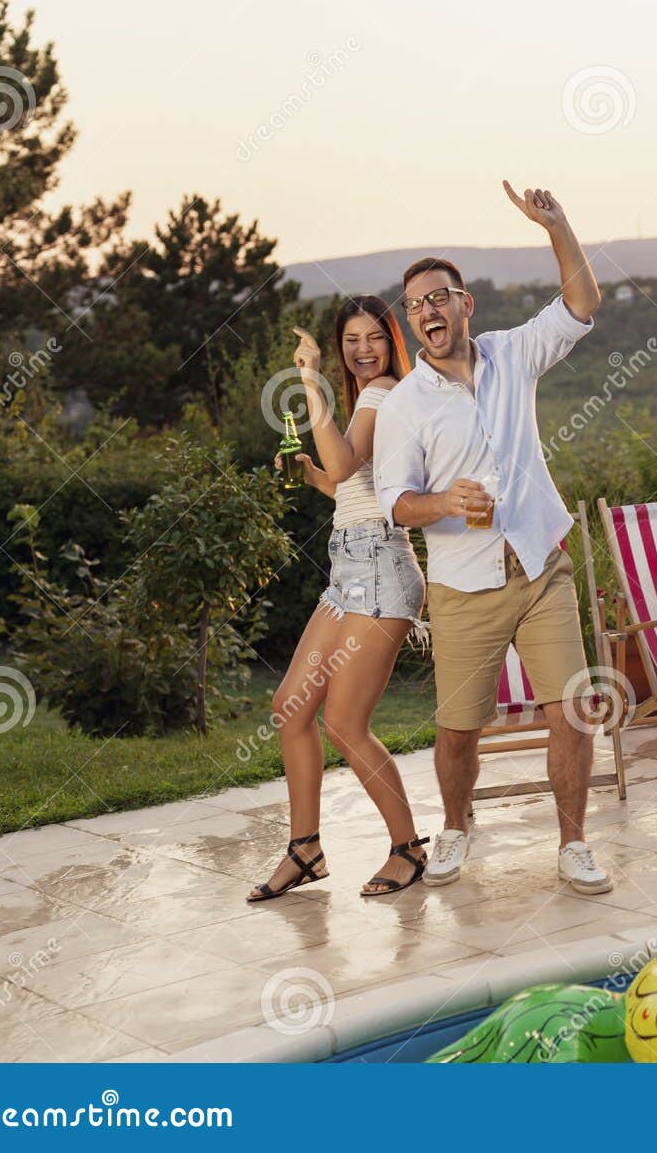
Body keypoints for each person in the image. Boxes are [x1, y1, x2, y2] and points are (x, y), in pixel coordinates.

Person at [373, 182, 612, 893]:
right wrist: (443, 499)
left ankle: (573, 842)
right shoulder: (404, 405)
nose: (428, 310)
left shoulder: (512, 355)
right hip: (461, 582)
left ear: (464, 302)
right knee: (458, 727)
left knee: (571, 705)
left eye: (439, 296)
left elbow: (582, 305)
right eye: (416, 304)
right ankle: (455, 825)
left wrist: (557, 224)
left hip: (539, 564)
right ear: (411, 320)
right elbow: (394, 503)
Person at [249, 297, 430, 901]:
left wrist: (309, 383)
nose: (363, 349)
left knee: (346, 725)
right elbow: (349, 481)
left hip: (380, 569)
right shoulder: (370, 404)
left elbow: (346, 458)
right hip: (348, 568)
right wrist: (312, 475)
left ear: (391, 343)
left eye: (374, 337)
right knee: (291, 708)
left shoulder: (381, 393)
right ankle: (305, 849)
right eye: (351, 339)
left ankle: (406, 848)